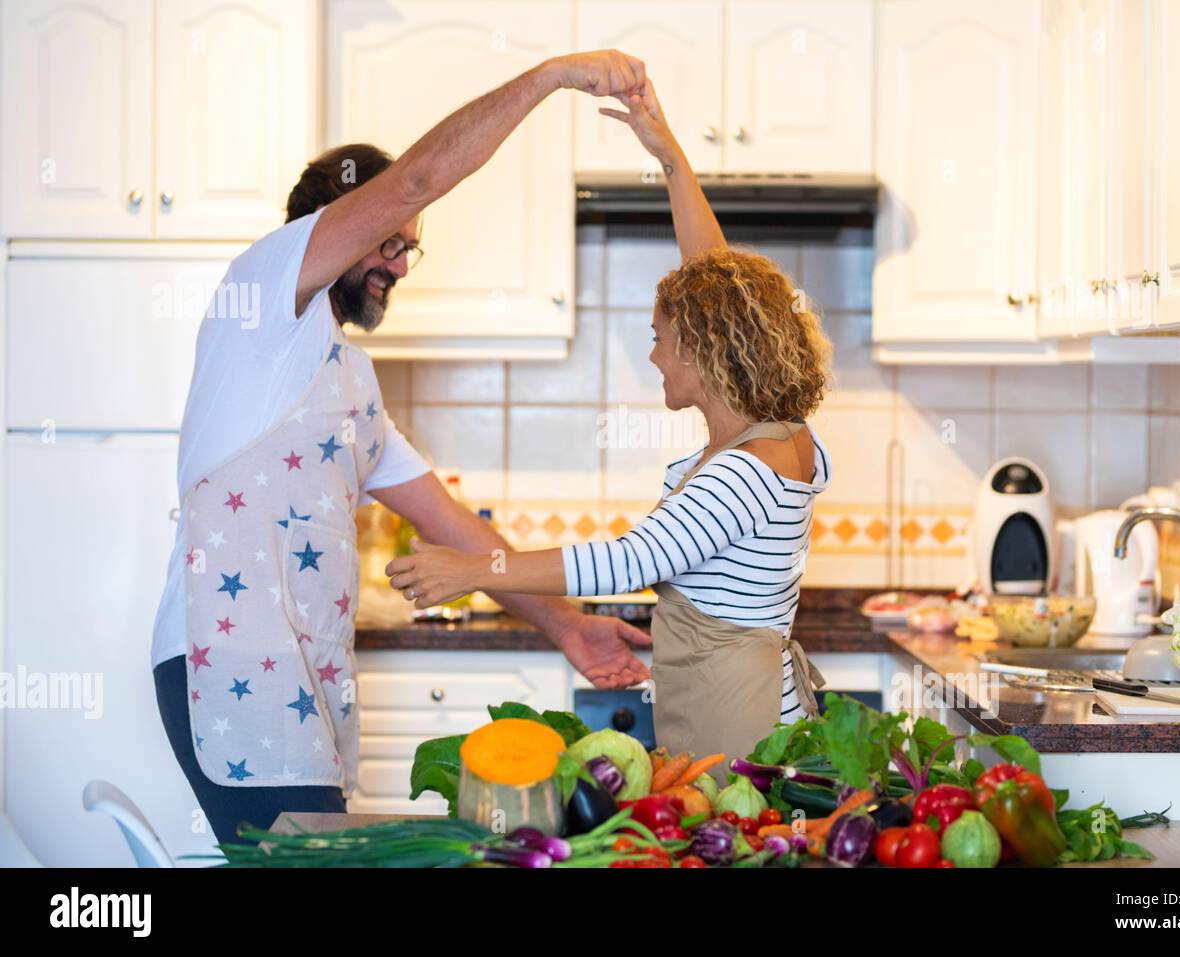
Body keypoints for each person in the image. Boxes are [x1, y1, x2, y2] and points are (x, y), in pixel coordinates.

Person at [151, 51, 656, 848]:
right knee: (309, 868)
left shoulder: (345, 379)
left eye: (408, 250)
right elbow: (417, 177)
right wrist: (552, 77)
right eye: (388, 241)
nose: (396, 266)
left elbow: (452, 523)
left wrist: (563, 625)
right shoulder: (265, 295)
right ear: (332, 222)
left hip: (293, 677)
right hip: (228, 658)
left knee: (317, 863)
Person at [386, 83, 834, 765]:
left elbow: (627, 559)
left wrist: (473, 568)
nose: (653, 354)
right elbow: (722, 291)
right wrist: (672, 159)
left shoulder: (744, 473)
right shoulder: (783, 435)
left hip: (747, 739)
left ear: (701, 350)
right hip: (747, 709)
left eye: (659, 337)